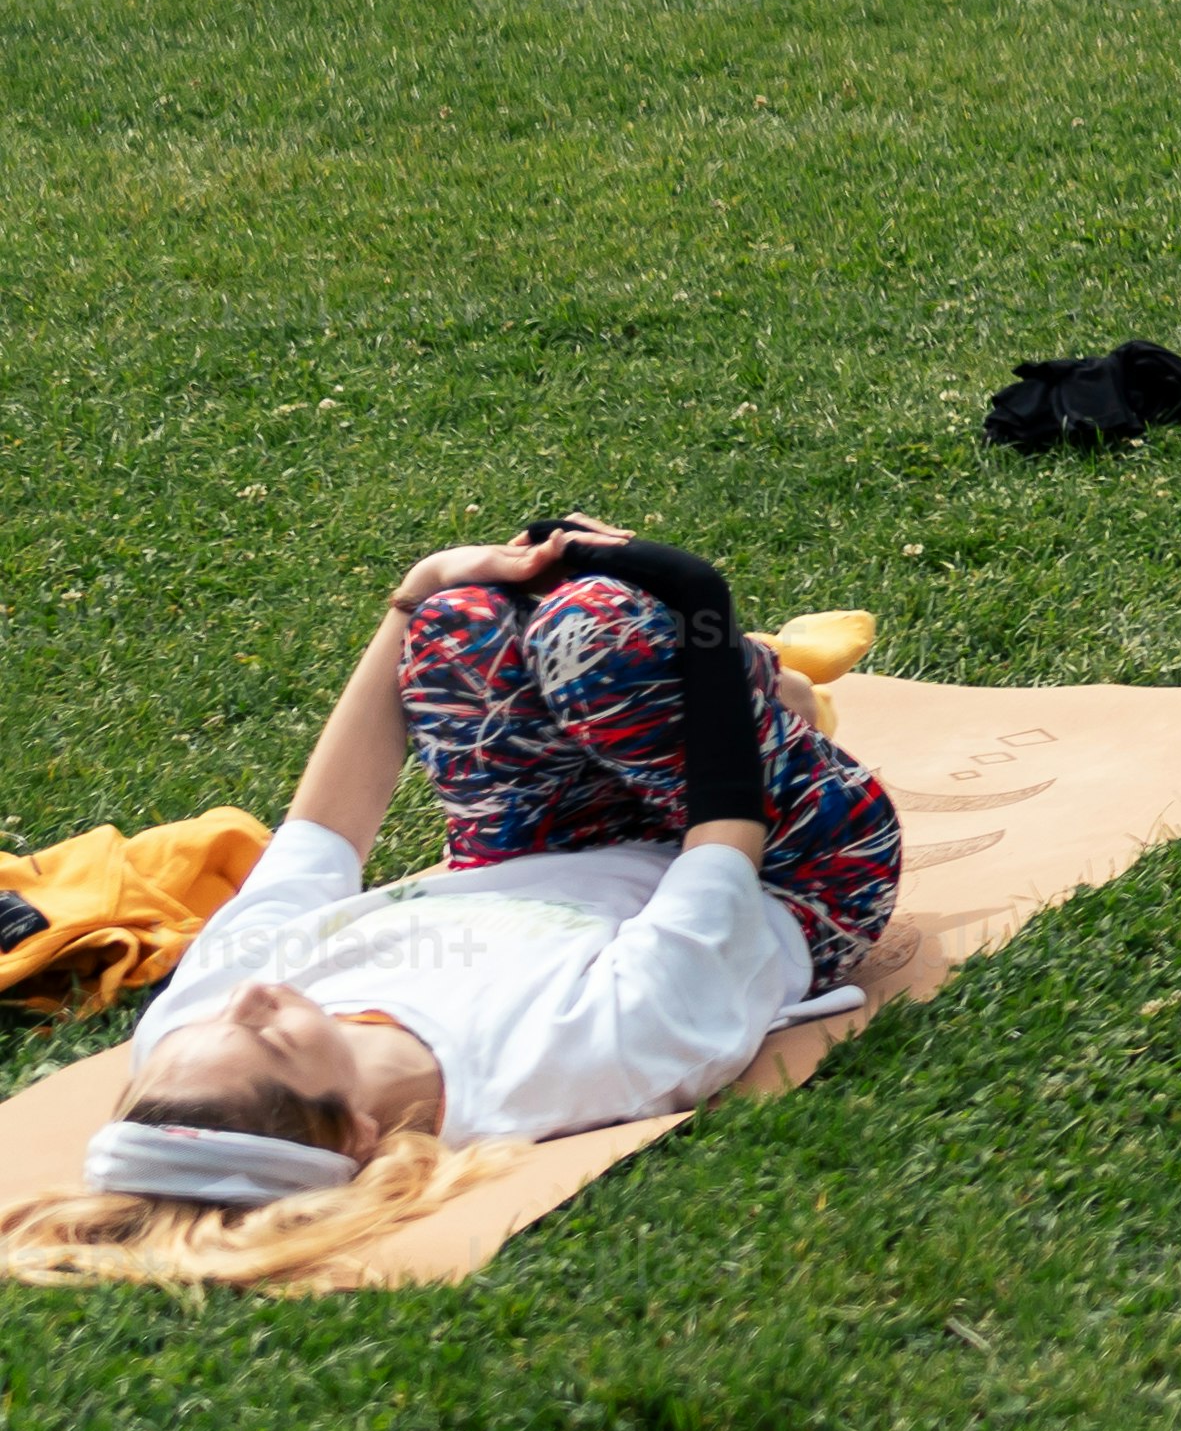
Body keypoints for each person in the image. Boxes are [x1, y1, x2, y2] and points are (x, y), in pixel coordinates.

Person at [5, 523, 901, 1292]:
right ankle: (774, 695)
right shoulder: (568, 1058)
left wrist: (414, 592)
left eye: (213, 1020)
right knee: (598, 638)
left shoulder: (199, 1033)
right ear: (357, 1132)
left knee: (458, 624)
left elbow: (323, 827)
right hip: (791, 871)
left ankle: (702, 690)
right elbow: (720, 848)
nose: (245, 999)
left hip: (537, 852)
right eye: (271, 1037)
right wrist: (697, 609)